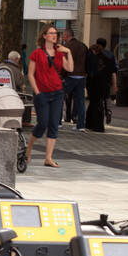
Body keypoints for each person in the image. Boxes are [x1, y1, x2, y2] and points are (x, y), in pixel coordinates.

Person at [26, 23, 73, 167]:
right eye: (51, 33)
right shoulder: (37, 53)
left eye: (55, 33)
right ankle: (29, 147)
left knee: (53, 124)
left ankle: (48, 157)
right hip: (42, 93)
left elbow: (70, 68)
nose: (54, 36)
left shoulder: (59, 53)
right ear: (44, 36)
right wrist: (37, 92)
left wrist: (68, 52)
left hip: (57, 92)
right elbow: (30, 74)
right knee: (42, 123)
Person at [85, 40, 117, 132]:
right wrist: (114, 85)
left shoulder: (92, 55)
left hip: (93, 82)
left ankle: (95, 125)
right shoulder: (110, 56)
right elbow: (113, 72)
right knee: (99, 102)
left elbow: (88, 69)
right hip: (105, 83)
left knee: (95, 103)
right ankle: (92, 123)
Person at [61, 24, 88, 132]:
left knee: (59, 98)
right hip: (81, 77)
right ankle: (80, 125)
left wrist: (62, 75)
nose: (62, 38)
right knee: (80, 101)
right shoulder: (83, 46)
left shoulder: (66, 47)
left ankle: (57, 122)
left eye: (63, 36)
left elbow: (64, 63)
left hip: (70, 76)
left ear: (67, 36)